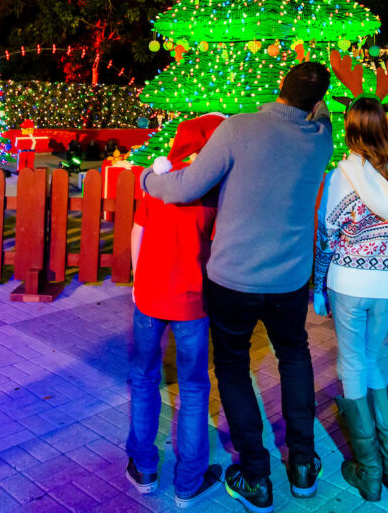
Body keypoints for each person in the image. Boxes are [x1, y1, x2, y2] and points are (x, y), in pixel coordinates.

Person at [141, 61, 335, 513]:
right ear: (316, 100)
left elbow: (187, 186)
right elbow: (319, 111)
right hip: (290, 277)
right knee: (294, 354)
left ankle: (256, 473)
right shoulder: (319, 136)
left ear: (279, 88)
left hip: (234, 276)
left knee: (231, 367)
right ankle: (303, 465)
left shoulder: (239, 130)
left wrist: (150, 179)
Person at [313, 96, 388, 502]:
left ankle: (371, 471)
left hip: (349, 282)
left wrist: (318, 287)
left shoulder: (341, 174)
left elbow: (328, 237)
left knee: (352, 363)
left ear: (351, 129)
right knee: (369, 359)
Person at [125, 113, 226, 507]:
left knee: (144, 376)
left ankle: (145, 466)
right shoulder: (217, 189)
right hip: (193, 301)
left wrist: (138, 283)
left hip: (149, 296)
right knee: (195, 387)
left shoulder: (158, 181)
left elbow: (139, 231)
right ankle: (189, 480)